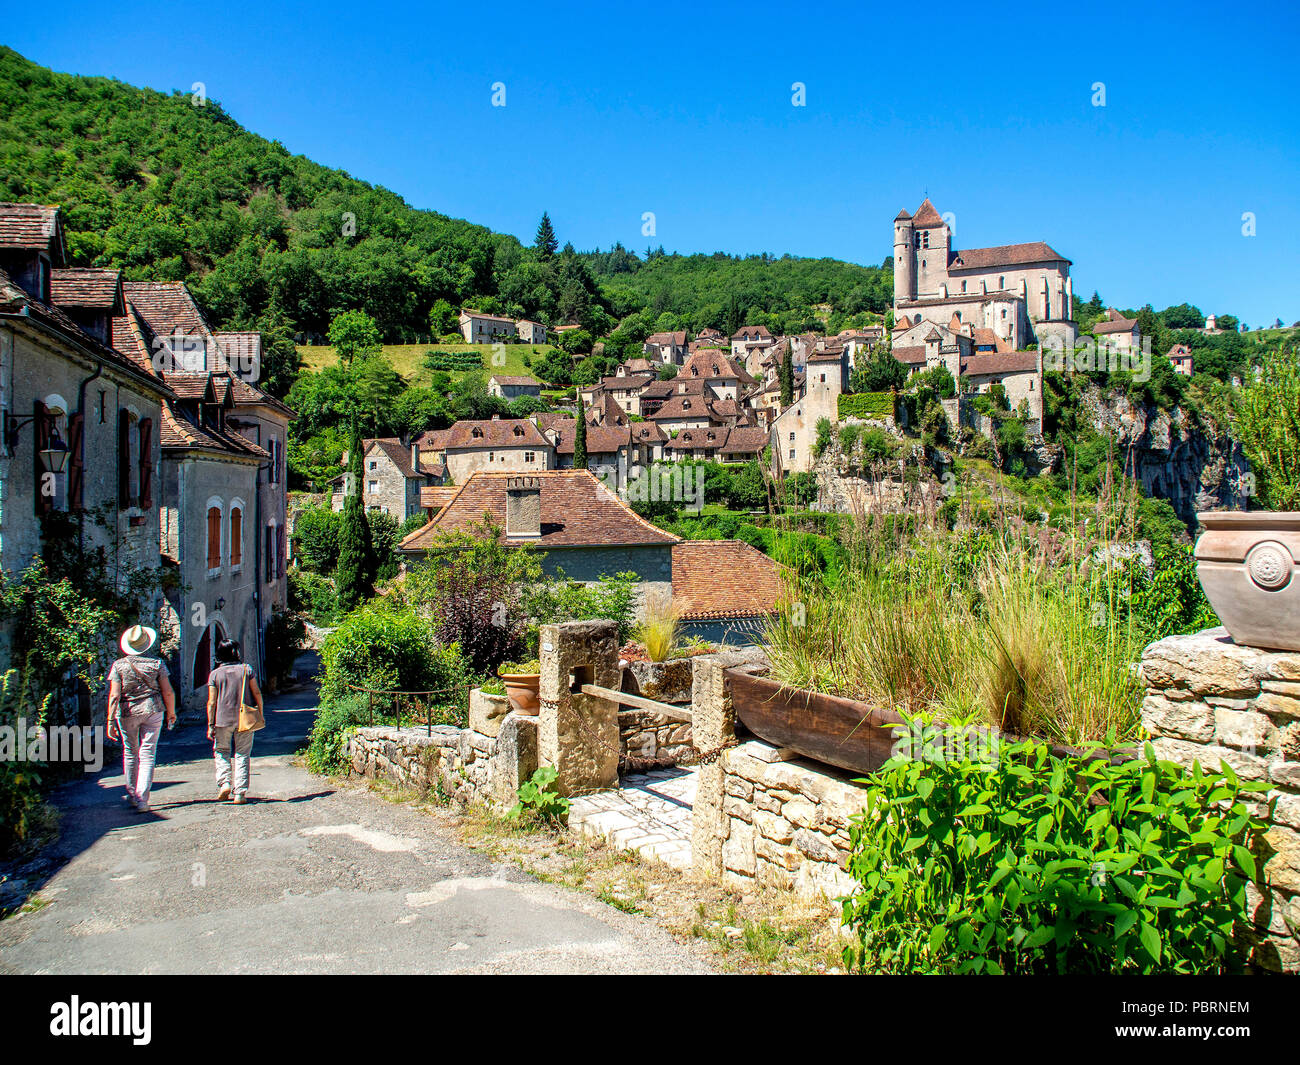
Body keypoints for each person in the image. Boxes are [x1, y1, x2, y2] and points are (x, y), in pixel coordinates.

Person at [106, 624, 177, 813]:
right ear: (147, 644)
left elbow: (114, 695)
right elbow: (167, 691)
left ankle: (131, 794)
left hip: (127, 712)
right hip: (153, 710)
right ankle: (143, 799)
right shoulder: (157, 664)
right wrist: (171, 712)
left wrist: (110, 720)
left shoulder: (118, 665)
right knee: (147, 754)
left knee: (130, 752)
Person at [206, 639, 263, 804]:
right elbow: (257, 693)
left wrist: (210, 724)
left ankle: (224, 783)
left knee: (222, 751)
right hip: (244, 719)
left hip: (221, 719)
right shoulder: (247, 669)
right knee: (242, 754)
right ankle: (240, 793)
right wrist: (260, 712)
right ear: (236, 652)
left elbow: (211, 702)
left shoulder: (215, 674)